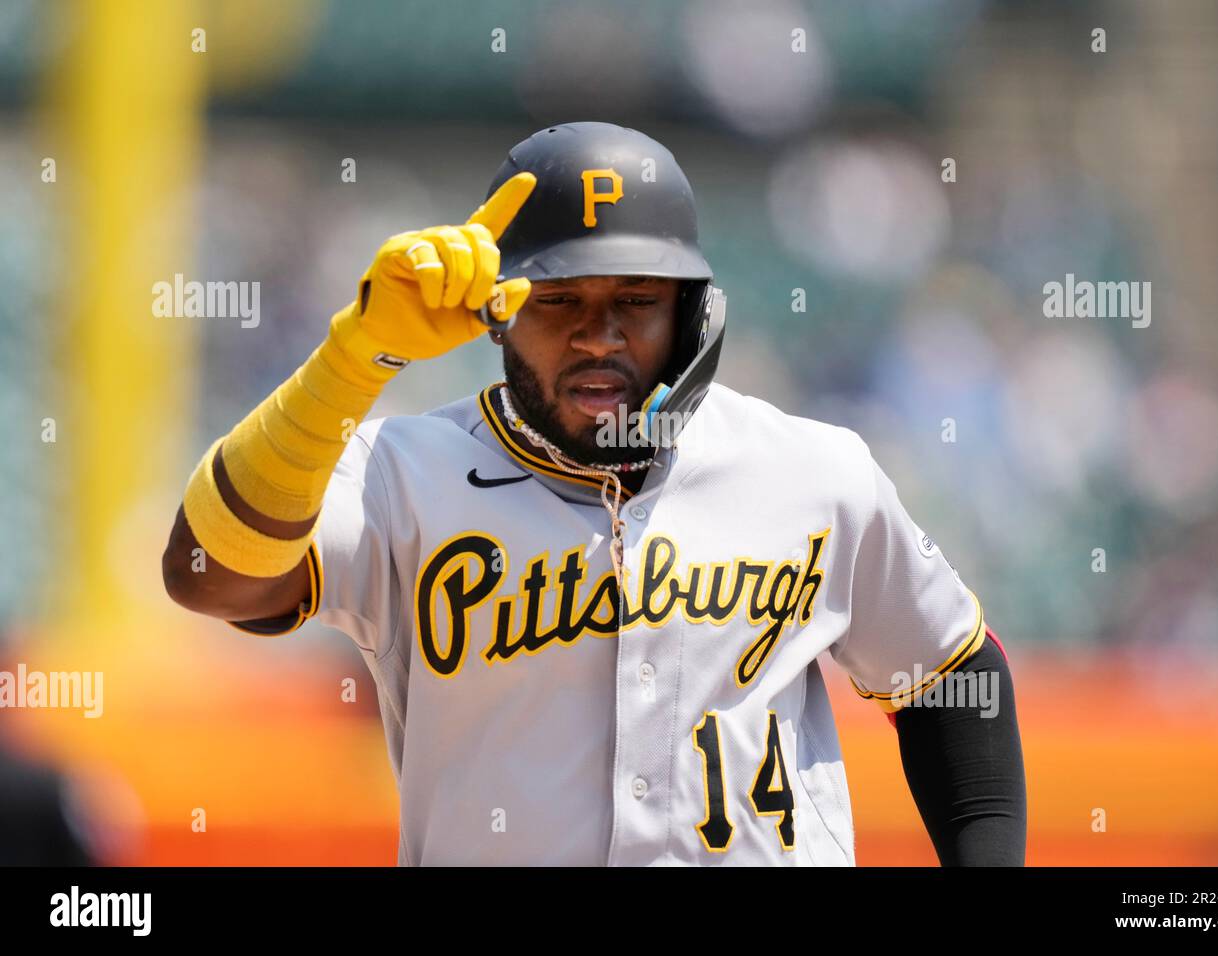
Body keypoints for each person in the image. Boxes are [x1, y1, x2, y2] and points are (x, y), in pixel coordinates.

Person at [162, 121, 1026, 866]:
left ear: (693, 313)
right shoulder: (401, 474)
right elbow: (207, 575)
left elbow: (952, 672)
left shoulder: (811, 471)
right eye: (558, 299)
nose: (597, 335)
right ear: (497, 312)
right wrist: (351, 361)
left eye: (637, 299)